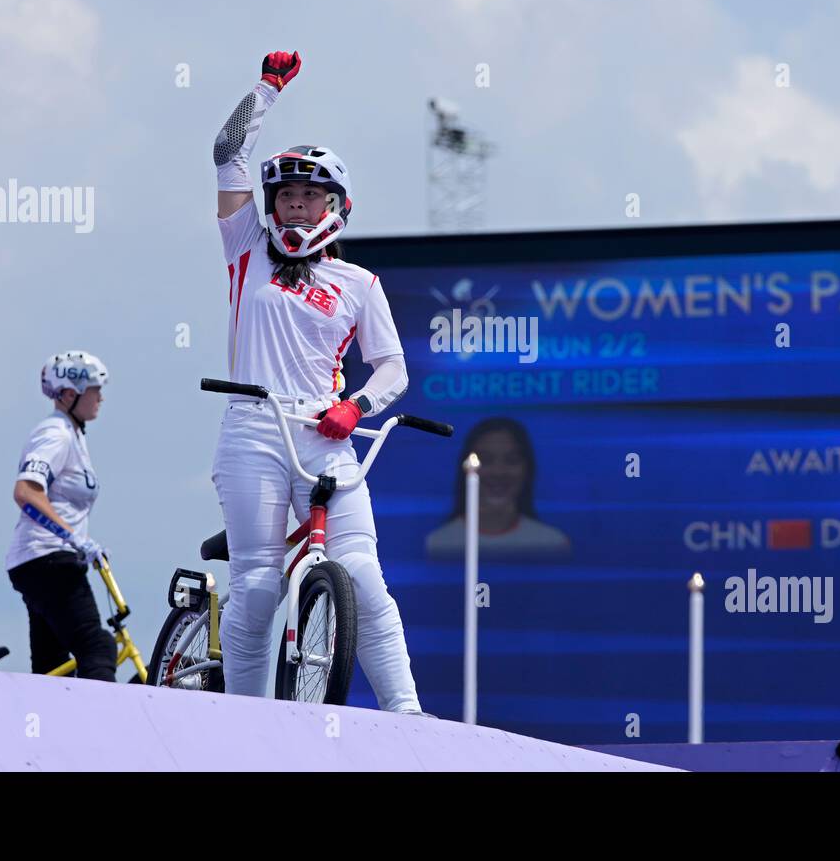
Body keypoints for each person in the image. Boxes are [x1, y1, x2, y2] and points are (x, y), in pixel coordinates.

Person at [210, 49, 431, 715]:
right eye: (286, 194)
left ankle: (409, 717)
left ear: (335, 204)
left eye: (309, 194)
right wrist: (267, 88)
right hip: (253, 427)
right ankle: (242, 723)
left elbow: (392, 368)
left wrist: (353, 405)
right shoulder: (246, 246)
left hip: (326, 433)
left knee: (363, 576)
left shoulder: (361, 283)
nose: (296, 204)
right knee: (254, 585)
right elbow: (227, 152)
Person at [5, 351, 117, 681]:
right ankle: (101, 724)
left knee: (52, 667)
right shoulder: (55, 434)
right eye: (95, 389)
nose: (101, 397)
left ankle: (45, 728)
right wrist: (74, 537)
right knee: (98, 647)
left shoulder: (73, 433)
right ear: (70, 394)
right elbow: (25, 492)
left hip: (39, 560)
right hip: (49, 558)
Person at [425, 418, 571, 560]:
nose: (498, 472)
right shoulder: (438, 544)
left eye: (511, 460)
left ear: (527, 469)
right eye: (485, 460)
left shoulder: (553, 543)